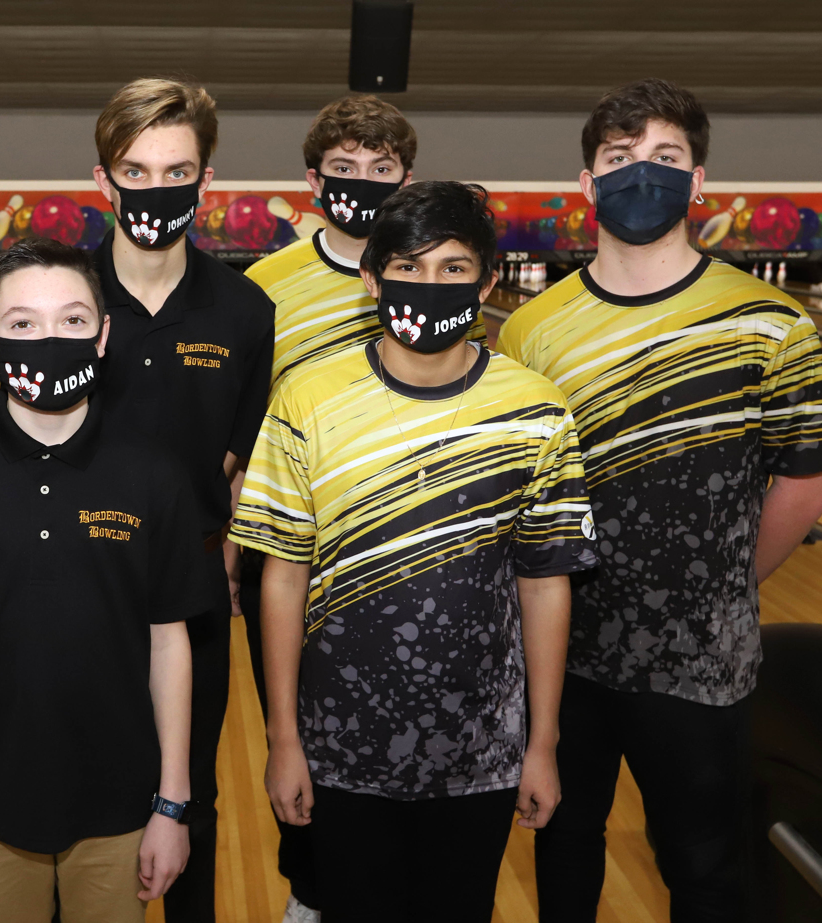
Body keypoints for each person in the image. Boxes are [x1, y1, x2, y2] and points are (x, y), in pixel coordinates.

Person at [497, 78, 822, 922]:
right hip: (564, 649)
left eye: (665, 155)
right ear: (588, 183)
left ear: (698, 181)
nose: (641, 172)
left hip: (703, 660)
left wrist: (726, 583)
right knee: (564, 846)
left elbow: (807, 478)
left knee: (705, 865)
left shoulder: (771, 321)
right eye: (620, 157)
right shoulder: (532, 330)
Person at [233, 181, 599, 923]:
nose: (429, 286)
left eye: (453, 268)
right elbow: (283, 577)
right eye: (408, 267)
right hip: (339, 746)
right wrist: (283, 739)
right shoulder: (306, 399)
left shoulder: (536, 409)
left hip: (481, 750)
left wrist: (543, 742)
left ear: (488, 282)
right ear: (372, 278)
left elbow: (544, 583)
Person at [0, 237, 204, 923]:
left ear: (102, 336)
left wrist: (172, 803)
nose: (49, 339)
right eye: (22, 323)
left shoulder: (153, 473)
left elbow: (169, 642)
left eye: (71, 320)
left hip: (122, 802)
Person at [241, 96, 485, 920]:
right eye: (344, 168)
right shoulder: (266, 285)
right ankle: (311, 890)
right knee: (299, 736)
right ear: (314, 181)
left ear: (406, 179)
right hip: (298, 546)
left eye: (381, 169)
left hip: (417, 546)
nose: (362, 182)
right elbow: (245, 422)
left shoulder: (442, 281)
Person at [90, 76, 275, 923]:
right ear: (103, 179)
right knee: (76, 793)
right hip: (75, 585)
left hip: (190, 592)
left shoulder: (244, 311)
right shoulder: (64, 297)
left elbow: (238, 462)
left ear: (205, 180)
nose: (155, 189)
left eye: (176, 171)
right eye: (135, 171)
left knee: (189, 797)